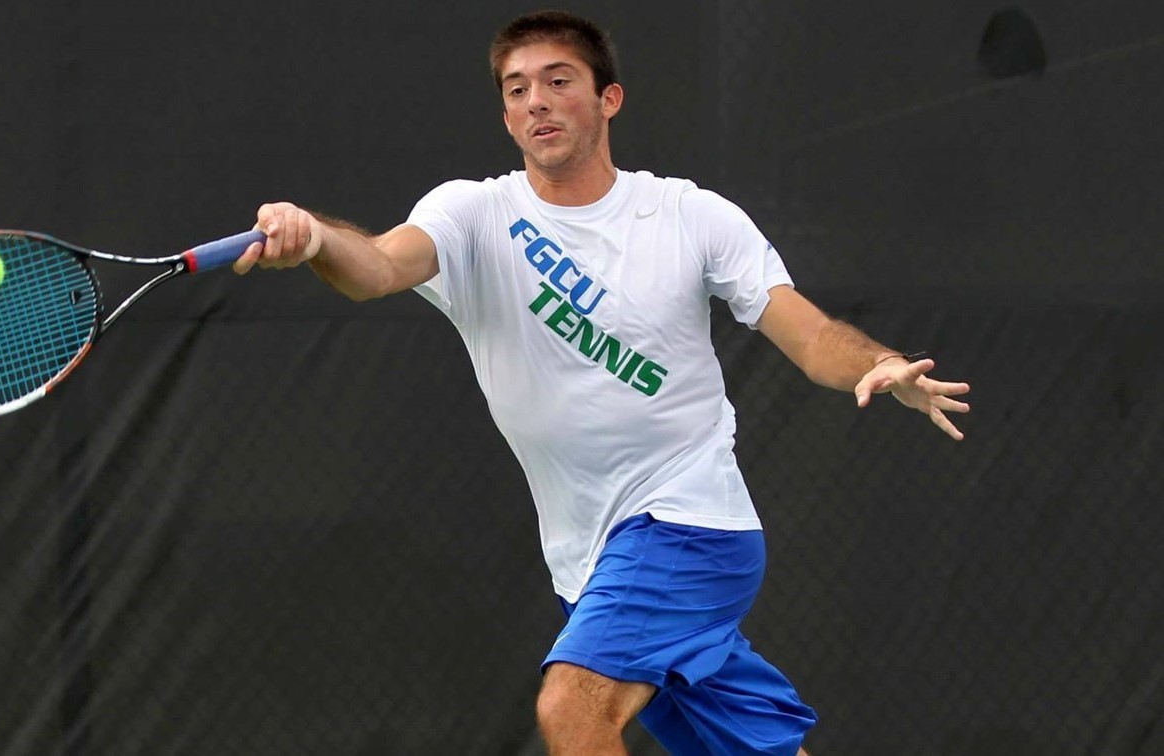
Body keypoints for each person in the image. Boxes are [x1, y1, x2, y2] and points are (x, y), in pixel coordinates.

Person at [231, 10, 970, 756]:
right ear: (505, 113)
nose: (536, 103)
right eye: (517, 90)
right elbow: (380, 268)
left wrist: (875, 363)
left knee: (572, 710)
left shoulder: (688, 215)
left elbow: (809, 336)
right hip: (585, 554)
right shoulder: (471, 214)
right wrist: (319, 237)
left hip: (688, 526)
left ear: (608, 99)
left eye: (558, 82)